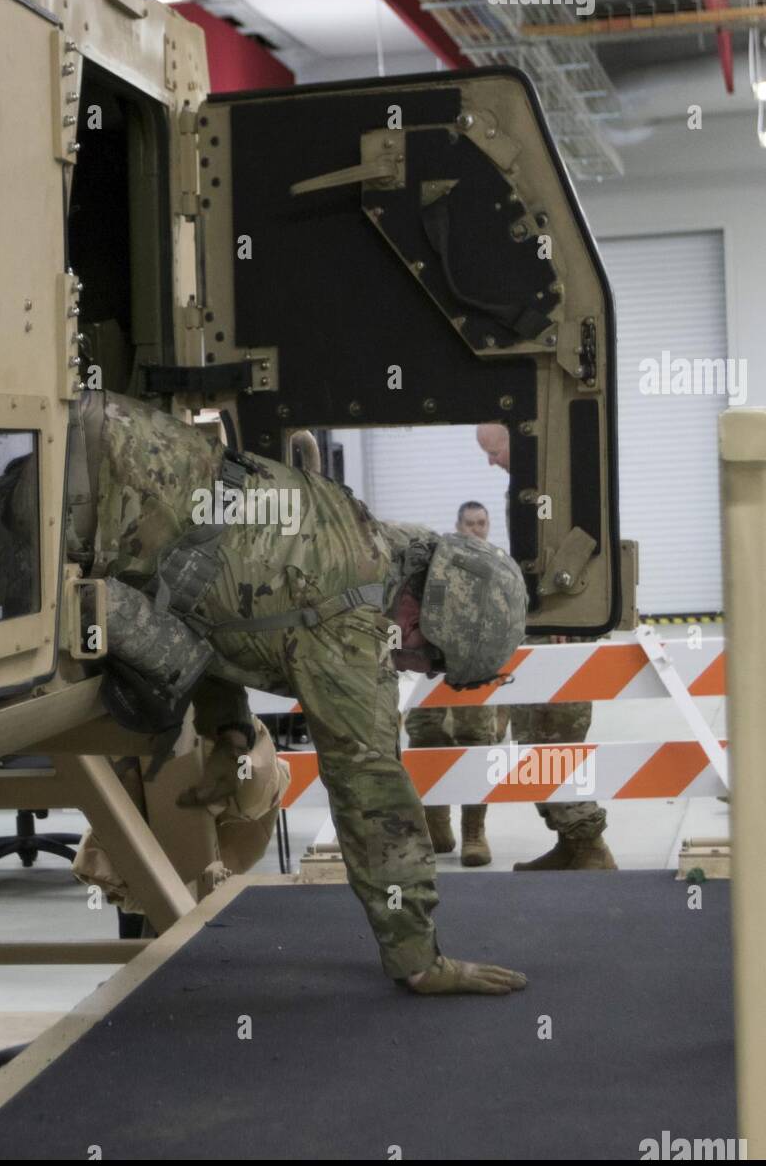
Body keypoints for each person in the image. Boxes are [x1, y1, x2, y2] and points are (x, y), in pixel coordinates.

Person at [66, 391, 531, 995]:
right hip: (76, 504)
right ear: (422, 618)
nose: (415, 666)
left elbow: (223, 608)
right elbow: (372, 793)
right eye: (431, 658)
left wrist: (231, 732)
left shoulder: (362, 533)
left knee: (172, 659)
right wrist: (418, 957)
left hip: (86, 436)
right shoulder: (356, 626)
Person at [475, 423, 616, 870]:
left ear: (516, 438)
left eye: (493, 450)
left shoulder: (557, 477)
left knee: (552, 738)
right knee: (533, 738)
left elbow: (588, 535)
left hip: (558, 627)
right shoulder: (527, 485)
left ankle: (589, 847)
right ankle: (571, 844)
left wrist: (561, 609)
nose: (490, 461)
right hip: (539, 625)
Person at [404, 501, 506, 867]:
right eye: (470, 523)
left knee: (476, 741)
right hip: (433, 665)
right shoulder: (439, 562)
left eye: (482, 523)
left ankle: (474, 833)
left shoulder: (500, 567)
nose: (477, 529)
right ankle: (436, 826)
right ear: (458, 525)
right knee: (425, 736)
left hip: (477, 668)